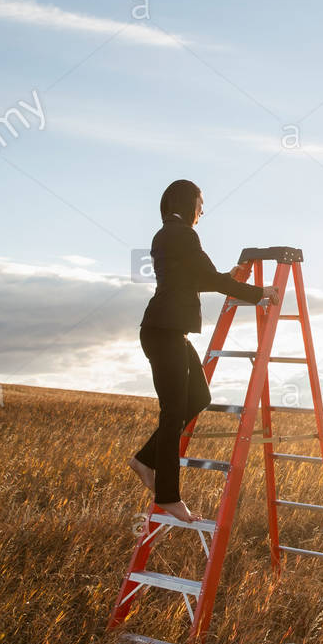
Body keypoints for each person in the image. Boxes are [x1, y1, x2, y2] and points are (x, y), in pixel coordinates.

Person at [128, 180, 276, 523]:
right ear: (187, 201)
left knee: (198, 397)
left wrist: (226, 277)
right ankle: (168, 496)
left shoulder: (168, 235)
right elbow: (208, 279)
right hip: (164, 332)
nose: (202, 211)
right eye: (200, 203)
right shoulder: (183, 235)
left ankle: (143, 460)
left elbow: (195, 280)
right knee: (172, 412)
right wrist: (259, 293)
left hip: (168, 332)